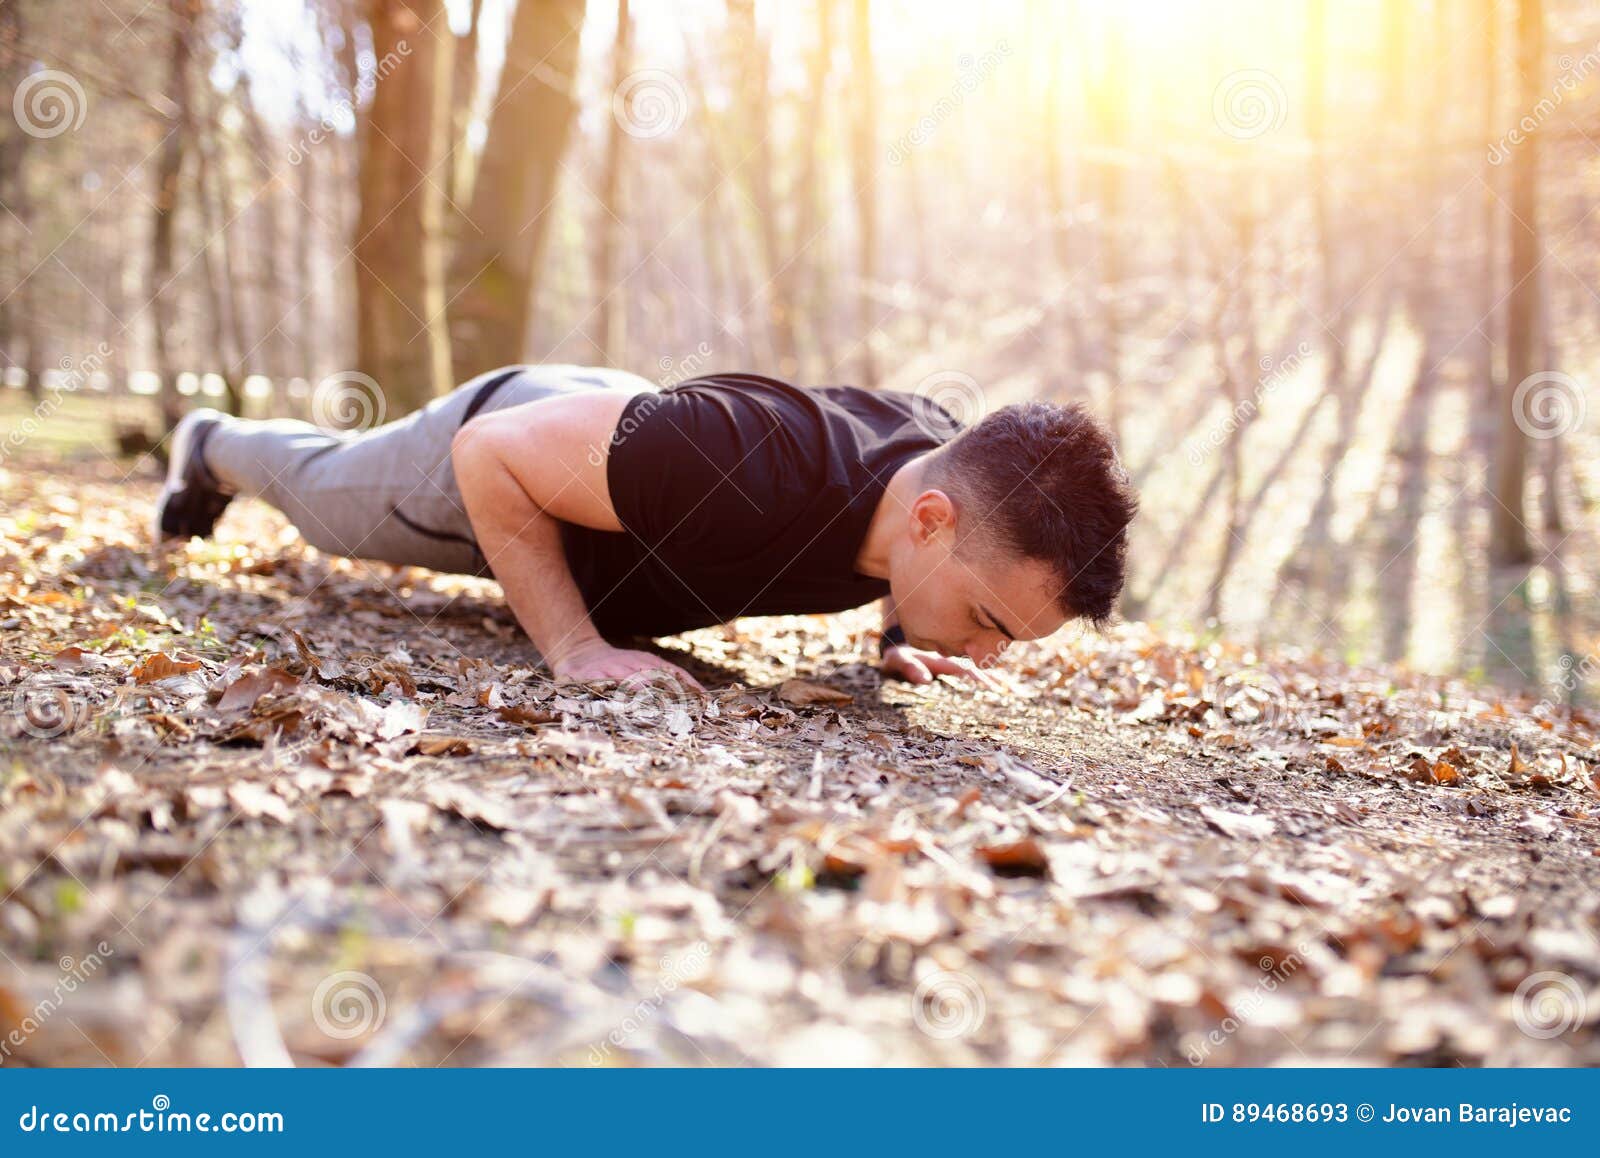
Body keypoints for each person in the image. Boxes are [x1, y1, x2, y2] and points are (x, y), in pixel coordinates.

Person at [155, 365, 1138, 691]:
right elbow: (491, 456)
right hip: (511, 451)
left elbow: (934, 476)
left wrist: (904, 628)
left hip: (616, 442)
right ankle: (211, 442)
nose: (988, 653)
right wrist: (575, 646)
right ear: (931, 523)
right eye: (987, 621)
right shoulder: (739, 460)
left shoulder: (938, 488)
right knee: (327, 507)